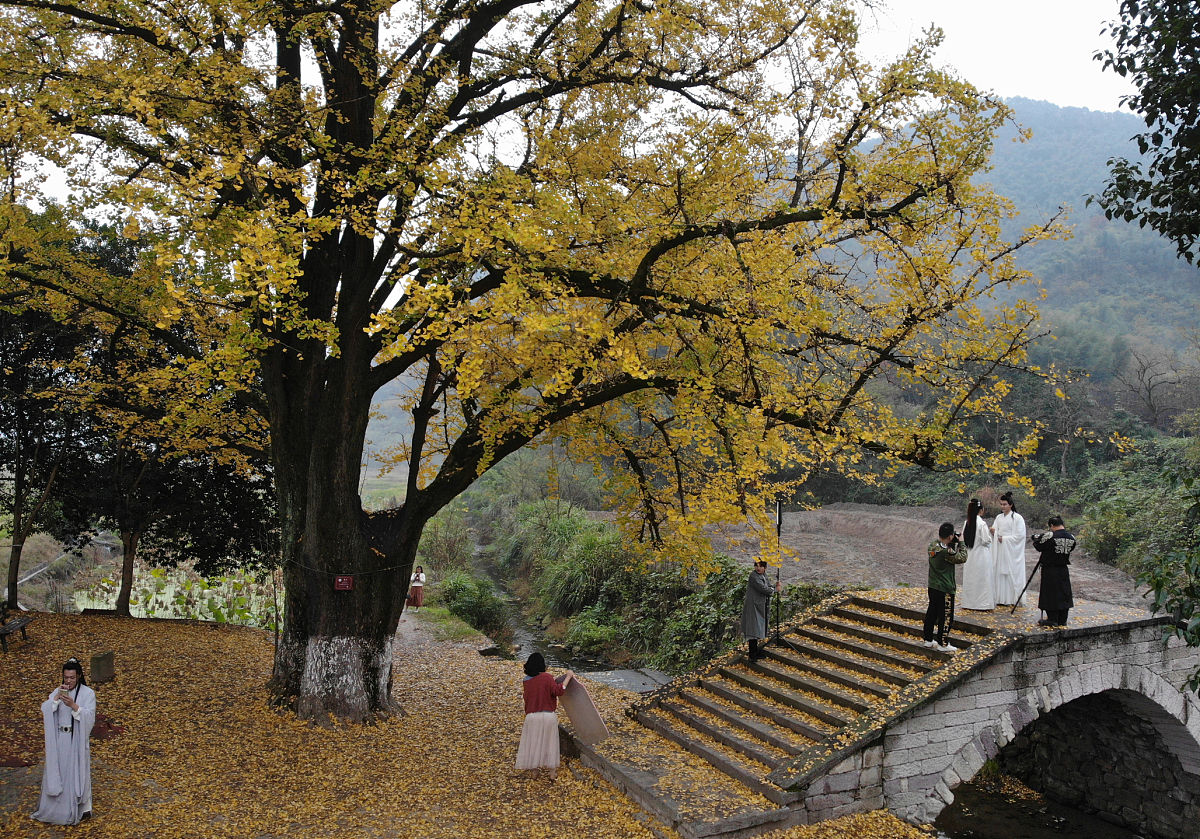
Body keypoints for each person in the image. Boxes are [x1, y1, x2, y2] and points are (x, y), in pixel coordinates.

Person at [33, 658, 96, 826]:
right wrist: (55, 700)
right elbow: (46, 708)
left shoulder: (88, 693)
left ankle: (82, 807)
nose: (68, 681)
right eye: (66, 677)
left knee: (75, 771)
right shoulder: (58, 691)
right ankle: (57, 808)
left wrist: (74, 706)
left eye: (72, 678)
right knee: (59, 770)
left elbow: (90, 717)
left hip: (76, 739)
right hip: (61, 738)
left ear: (79, 676)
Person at [515, 652, 574, 779]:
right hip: (547, 715)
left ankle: (534, 771)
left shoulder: (526, 681)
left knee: (533, 742)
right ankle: (552, 773)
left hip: (531, 716)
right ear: (542, 665)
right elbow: (558, 691)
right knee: (550, 743)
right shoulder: (547, 677)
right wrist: (568, 677)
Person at [923, 523, 968, 652]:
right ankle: (942, 643)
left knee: (932, 612)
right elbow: (962, 557)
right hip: (945, 588)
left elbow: (946, 548)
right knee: (946, 616)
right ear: (949, 536)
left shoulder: (933, 545)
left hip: (933, 586)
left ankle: (928, 639)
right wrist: (961, 543)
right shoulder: (946, 552)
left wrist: (952, 541)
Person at [1033, 515, 1077, 626]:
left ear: (1052, 525)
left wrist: (1035, 538)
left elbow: (1039, 546)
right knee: (1064, 592)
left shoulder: (1050, 535)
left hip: (1050, 569)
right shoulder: (1071, 537)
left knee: (1050, 593)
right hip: (1063, 569)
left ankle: (1052, 619)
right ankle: (1062, 619)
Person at [740, 559, 781, 661]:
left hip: (760, 606)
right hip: (753, 607)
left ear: (765, 568)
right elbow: (763, 589)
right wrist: (775, 590)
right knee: (753, 630)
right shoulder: (754, 576)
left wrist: (774, 586)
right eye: (756, 566)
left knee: (758, 629)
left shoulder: (763, 575)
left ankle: (755, 652)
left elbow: (768, 586)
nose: (758, 568)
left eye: (760, 566)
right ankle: (752, 655)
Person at [991, 491, 1028, 606]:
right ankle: (999, 598)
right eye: (1001, 504)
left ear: (1010, 505)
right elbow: (995, 530)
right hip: (1000, 549)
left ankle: (1012, 598)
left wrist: (1004, 539)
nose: (1003, 506)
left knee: (1010, 572)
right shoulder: (998, 517)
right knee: (999, 572)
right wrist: (994, 533)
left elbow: (1020, 536)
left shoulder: (1017, 518)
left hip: (1011, 550)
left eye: (1005, 504)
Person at [959, 498, 995, 610]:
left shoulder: (967, 523)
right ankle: (982, 604)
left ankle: (969, 603)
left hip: (970, 555)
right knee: (982, 579)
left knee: (971, 578)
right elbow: (986, 540)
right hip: (981, 555)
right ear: (981, 510)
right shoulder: (982, 524)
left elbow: (963, 538)